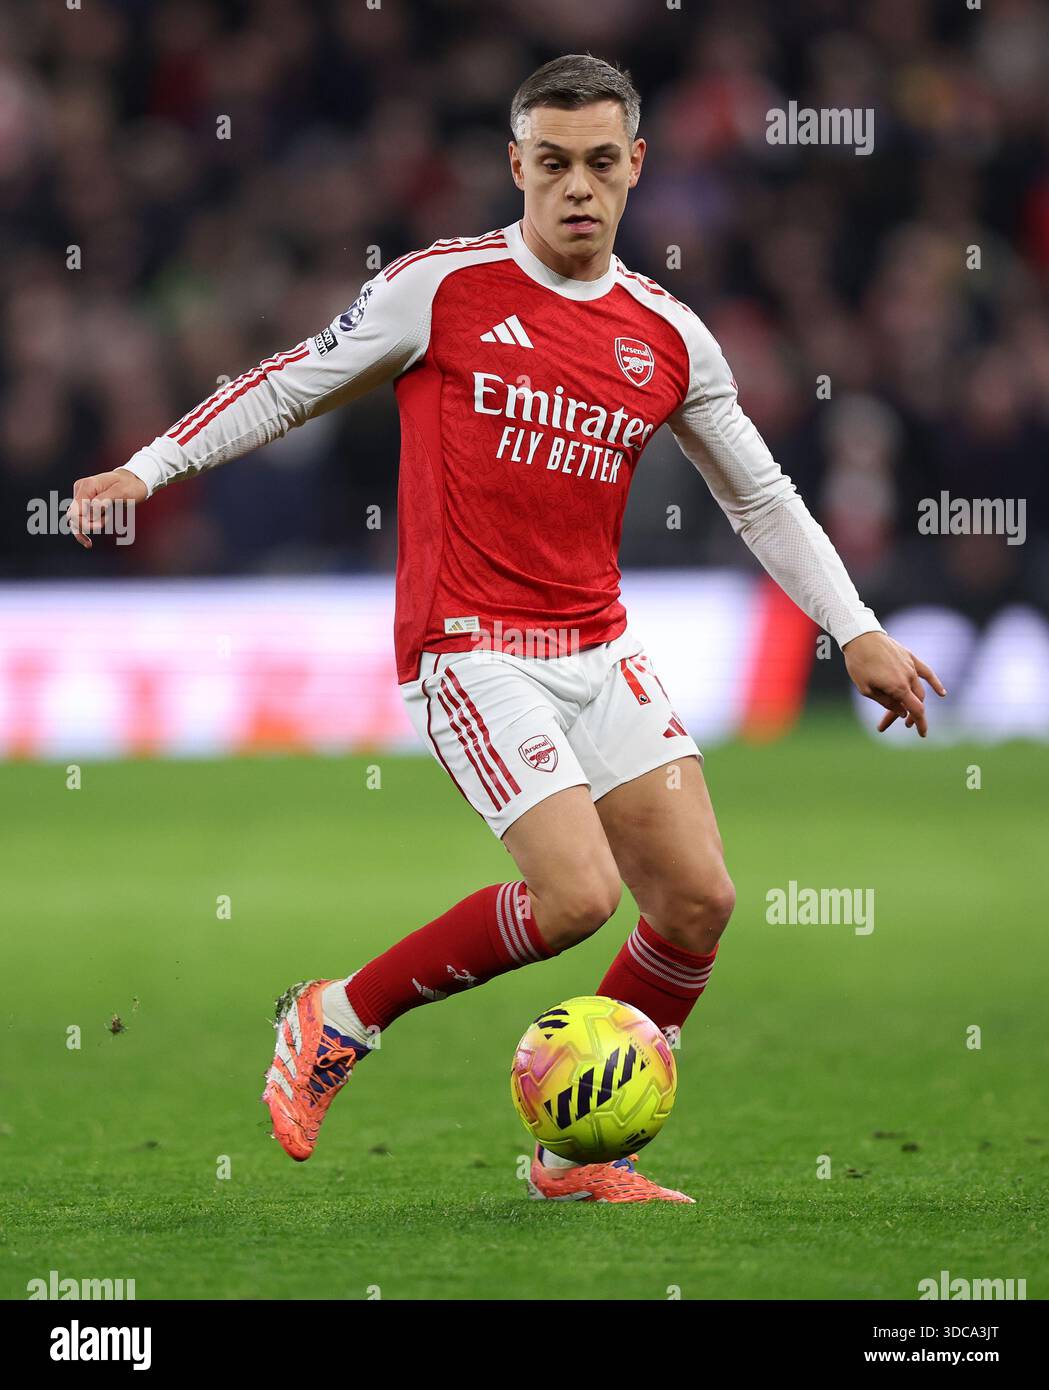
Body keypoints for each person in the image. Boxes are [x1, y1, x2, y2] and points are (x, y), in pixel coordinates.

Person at [68, 55, 944, 1204]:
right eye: (550, 164)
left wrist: (854, 628)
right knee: (577, 896)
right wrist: (149, 465)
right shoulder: (440, 289)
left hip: (599, 642)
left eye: (597, 164)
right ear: (515, 166)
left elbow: (761, 496)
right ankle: (336, 1015)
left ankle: (578, 1154)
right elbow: (289, 381)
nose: (575, 187)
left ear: (633, 167)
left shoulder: (667, 335)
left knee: (696, 901)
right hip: (469, 642)